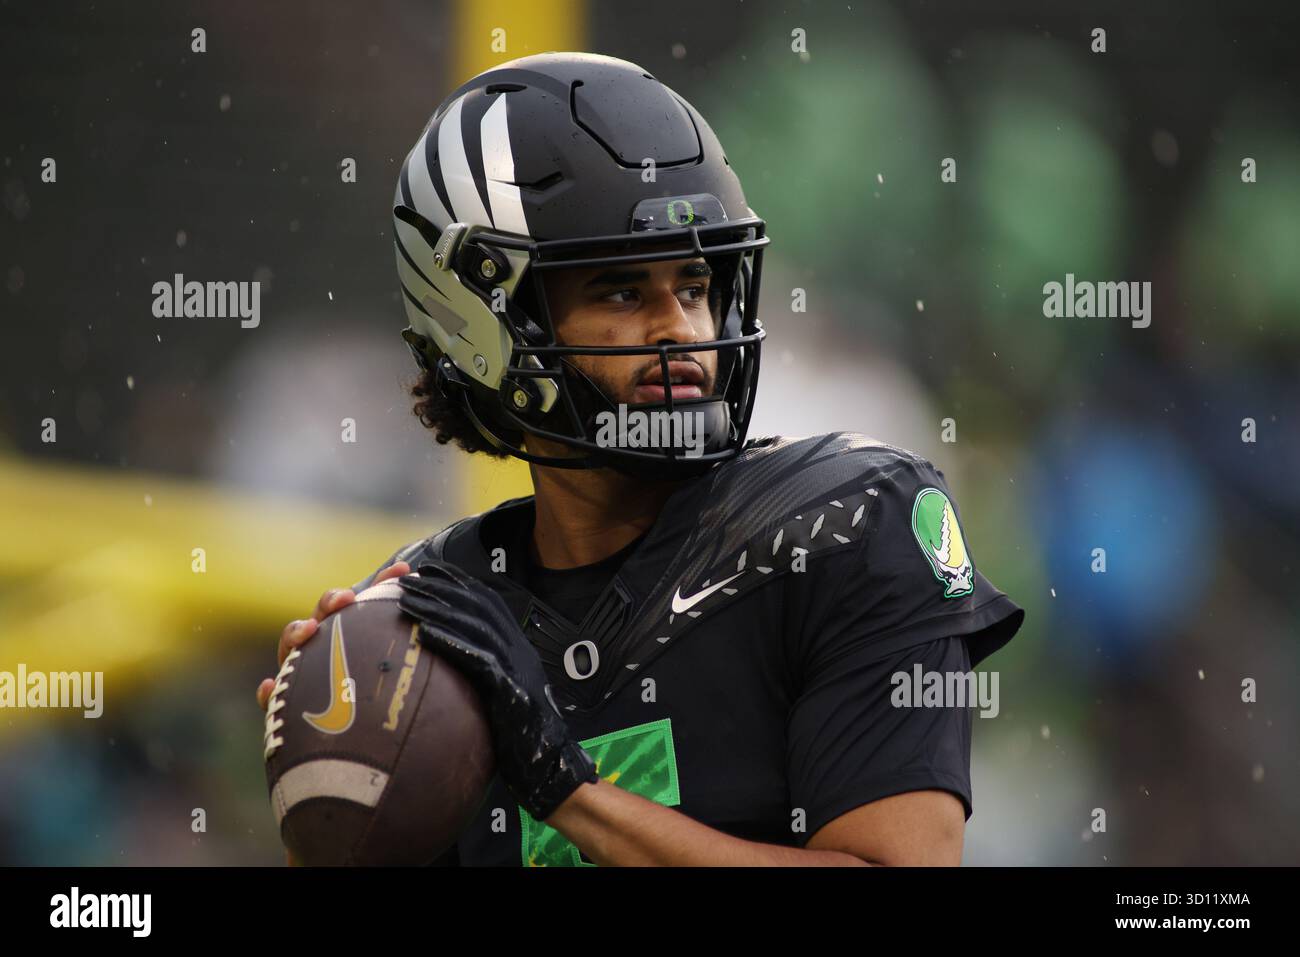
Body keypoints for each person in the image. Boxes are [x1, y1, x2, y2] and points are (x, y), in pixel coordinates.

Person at [257, 52, 1023, 866]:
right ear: (487, 329)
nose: (682, 332)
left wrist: (570, 791)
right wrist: (343, 795)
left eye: (693, 285)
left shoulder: (842, 528)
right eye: (622, 291)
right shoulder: (436, 624)